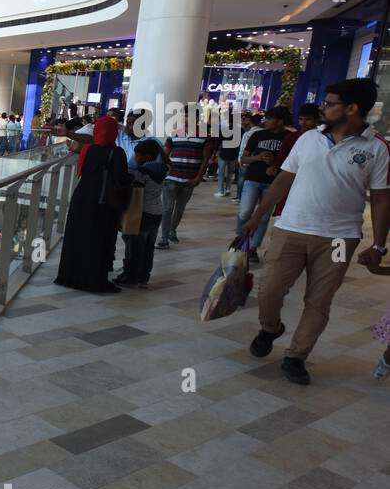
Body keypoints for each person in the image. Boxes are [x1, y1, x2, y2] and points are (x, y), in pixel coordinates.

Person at [242, 78, 389, 385]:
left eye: (330, 104)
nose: (324, 108)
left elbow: (381, 199)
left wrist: (378, 245)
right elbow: (283, 180)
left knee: (319, 301)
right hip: (291, 228)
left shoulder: (377, 148)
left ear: (351, 108)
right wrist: (257, 216)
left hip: (339, 238)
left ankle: (296, 356)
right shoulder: (307, 139)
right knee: (269, 289)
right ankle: (270, 328)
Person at [55, 114, 131, 293]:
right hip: (102, 202)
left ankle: (70, 277)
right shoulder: (117, 153)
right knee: (98, 241)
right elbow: (121, 179)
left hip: (81, 198)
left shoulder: (88, 150)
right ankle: (93, 280)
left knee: (77, 238)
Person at [235, 106, 293, 261]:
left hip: (274, 183)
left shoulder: (289, 138)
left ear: (280, 121)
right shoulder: (257, 135)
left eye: (269, 118)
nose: (265, 121)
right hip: (252, 179)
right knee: (244, 212)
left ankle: (253, 248)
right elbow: (244, 159)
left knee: (263, 217)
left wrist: (276, 164)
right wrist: (258, 157)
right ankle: (240, 240)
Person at [113, 139, 167, 289]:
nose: (136, 158)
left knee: (134, 246)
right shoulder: (164, 168)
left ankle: (130, 277)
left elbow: (132, 185)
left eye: (138, 155)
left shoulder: (143, 171)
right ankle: (144, 277)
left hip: (142, 212)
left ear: (148, 156)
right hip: (157, 212)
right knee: (148, 247)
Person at [157, 111, 214, 248]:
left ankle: (172, 230)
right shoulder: (174, 134)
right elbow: (165, 154)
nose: (185, 118)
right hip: (171, 178)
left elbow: (205, 160)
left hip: (189, 180)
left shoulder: (205, 137)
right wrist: (164, 171)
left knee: (180, 208)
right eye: (183, 115)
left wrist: (198, 178)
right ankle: (164, 238)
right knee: (167, 209)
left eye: (188, 115)